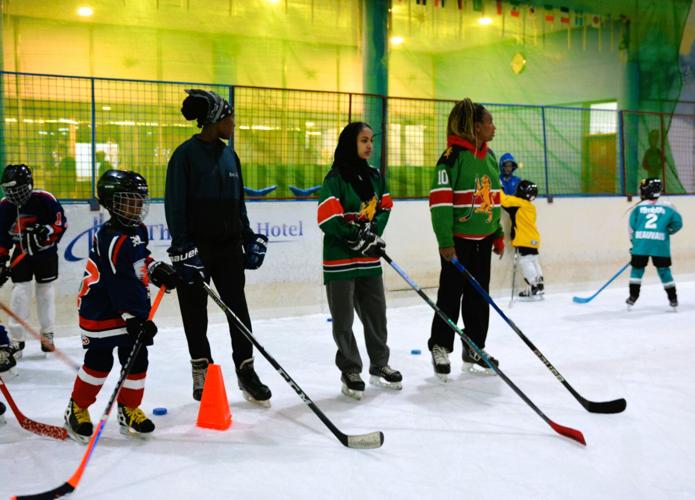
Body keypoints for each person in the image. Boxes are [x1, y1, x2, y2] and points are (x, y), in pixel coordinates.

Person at [165, 89, 271, 406]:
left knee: (239, 310)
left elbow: (238, 205)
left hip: (228, 250)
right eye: (230, 117)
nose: (233, 123)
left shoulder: (229, 155)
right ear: (215, 119)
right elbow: (175, 206)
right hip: (195, 251)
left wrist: (249, 237)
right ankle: (202, 370)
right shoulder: (184, 155)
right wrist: (184, 250)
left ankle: (246, 370)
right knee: (195, 315)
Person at [65, 170, 178, 443]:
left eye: (140, 199)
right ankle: (77, 408)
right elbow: (119, 281)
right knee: (98, 362)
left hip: (129, 309)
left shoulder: (136, 229)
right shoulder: (111, 238)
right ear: (112, 203)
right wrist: (134, 318)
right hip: (101, 311)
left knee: (136, 359)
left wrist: (155, 268)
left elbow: (139, 260)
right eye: (130, 200)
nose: (137, 205)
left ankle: (128, 408)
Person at [317, 122, 402, 400]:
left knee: (376, 314)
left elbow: (385, 206)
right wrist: (354, 234)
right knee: (343, 319)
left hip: (368, 259)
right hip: (340, 260)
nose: (369, 146)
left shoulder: (375, 177)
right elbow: (328, 218)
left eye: (371, 141)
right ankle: (350, 369)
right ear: (349, 144)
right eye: (363, 141)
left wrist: (372, 232)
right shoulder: (335, 178)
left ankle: (380, 365)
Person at [428, 99, 504, 381]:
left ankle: (474, 347)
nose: (493, 127)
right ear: (476, 127)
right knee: (450, 294)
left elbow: (494, 199)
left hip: (482, 240)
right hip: (457, 242)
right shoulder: (451, 157)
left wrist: (496, 233)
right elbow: (440, 202)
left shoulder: (491, 156)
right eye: (489, 122)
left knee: (478, 296)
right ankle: (440, 345)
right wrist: (445, 241)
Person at [0, 164, 67, 358]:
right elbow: (1, 237)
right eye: (9, 189)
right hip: (21, 253)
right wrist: (1, 260)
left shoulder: (45, 200)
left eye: (17, 189)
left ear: (29, 185)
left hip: (45, 254)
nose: (13, 194)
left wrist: (46, 232)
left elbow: (60, 224)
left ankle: (47, 334)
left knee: (45, 291)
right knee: (20, 290)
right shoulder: (5, 206)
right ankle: (16, 339)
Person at [626, 178, 682, 310]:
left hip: (641, 245)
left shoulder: (638, 208)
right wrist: (666, 231)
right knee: (664, 271)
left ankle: (632, 297)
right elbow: (678, 223)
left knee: (637, 270)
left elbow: (631, 228)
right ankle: (673, 298)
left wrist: (634, 244)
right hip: (660, 246)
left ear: (645, 191)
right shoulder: (668, 206)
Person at [501, 180, 544, 299]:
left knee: (525, 261)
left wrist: (498, 187)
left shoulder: (519, 203)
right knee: (534, 260)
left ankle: (534, 285)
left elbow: (503, 200)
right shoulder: (531, 207)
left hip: (524, 239)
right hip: (534, 238)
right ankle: (539, 286)